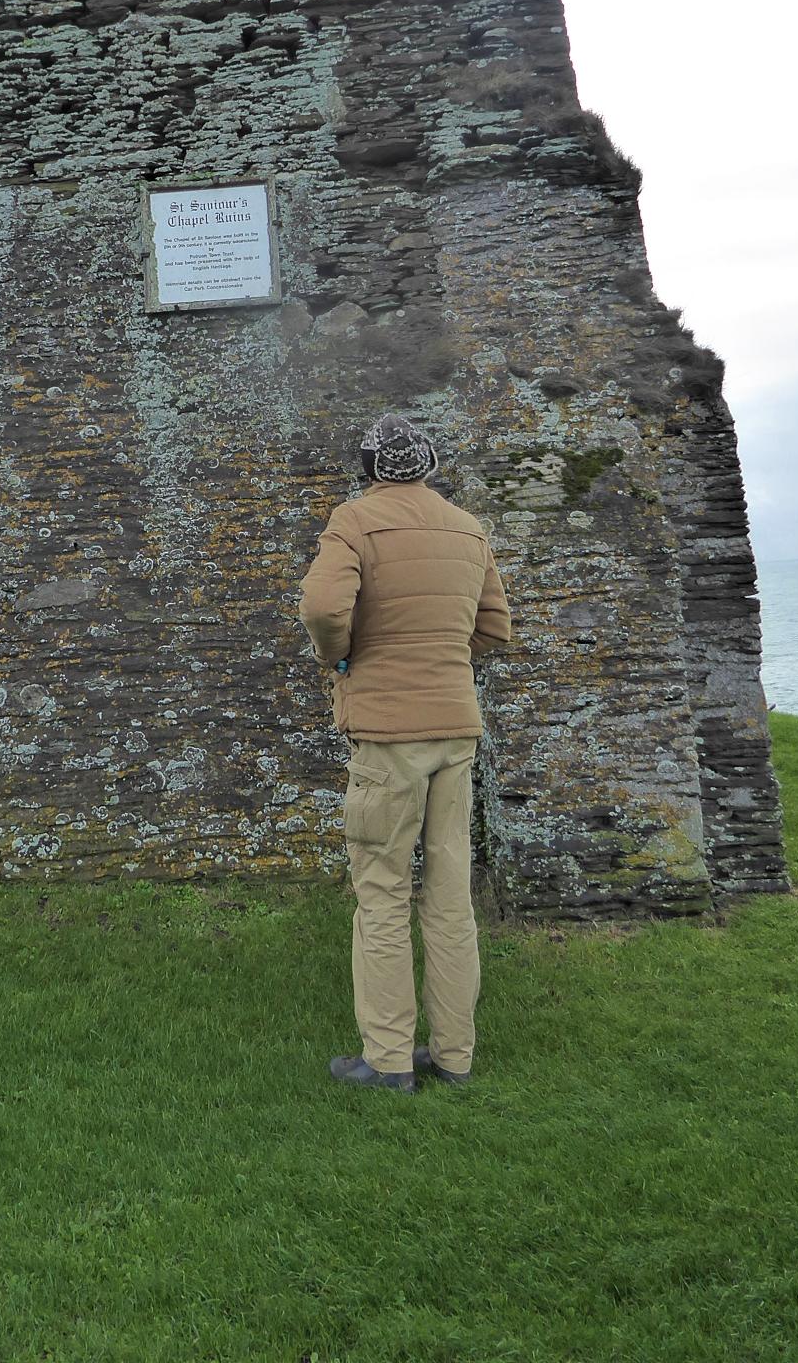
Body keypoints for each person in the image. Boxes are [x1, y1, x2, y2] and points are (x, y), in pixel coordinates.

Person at [298, 412, 511, 1093]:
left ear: (368, 469)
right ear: (430, 467)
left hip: (388, 734)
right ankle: (454, 1057)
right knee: (451, 898)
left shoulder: (354, 521)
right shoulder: (468, 528)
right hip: (455, 730)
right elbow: (494, 628)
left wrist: (345, 661)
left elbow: (324, 610)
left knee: (383, 893)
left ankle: (388, 1062)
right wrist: (444, 661)